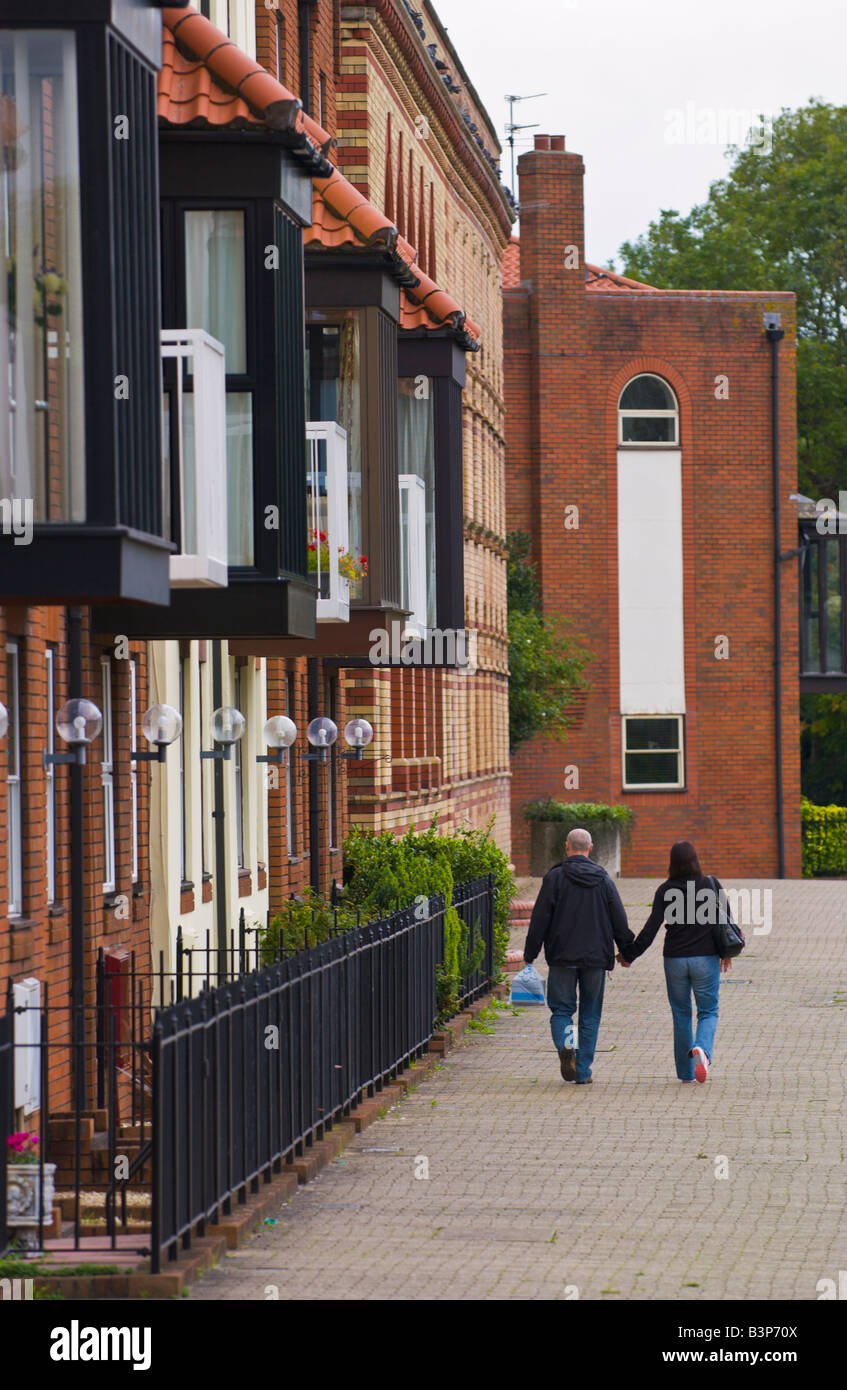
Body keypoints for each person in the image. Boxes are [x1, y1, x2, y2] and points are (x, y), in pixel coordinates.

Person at [523, 827, 635, 1085]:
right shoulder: (603, 879)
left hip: (562, 956)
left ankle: (566, 1046)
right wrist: (627, 952)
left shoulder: (555, 878)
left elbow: (540, 918)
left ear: (567, 847)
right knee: (590, 1013)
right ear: (591, 848)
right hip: (596, 958)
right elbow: (619, 918)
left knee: (562, 1009)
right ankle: (583, 1072)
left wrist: (530, 953)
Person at [617, 839, 732, 1083]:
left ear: (672, 863)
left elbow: (650, 930)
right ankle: (702, 1049)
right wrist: (727, 953)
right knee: (708, 1011)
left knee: (681, 1014)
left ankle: (686, 1073)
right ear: (695, 860)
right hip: (705, 958)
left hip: (675, 959)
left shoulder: (665, 890)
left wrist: (629, 955)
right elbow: (727, 920)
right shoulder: (710, 884)